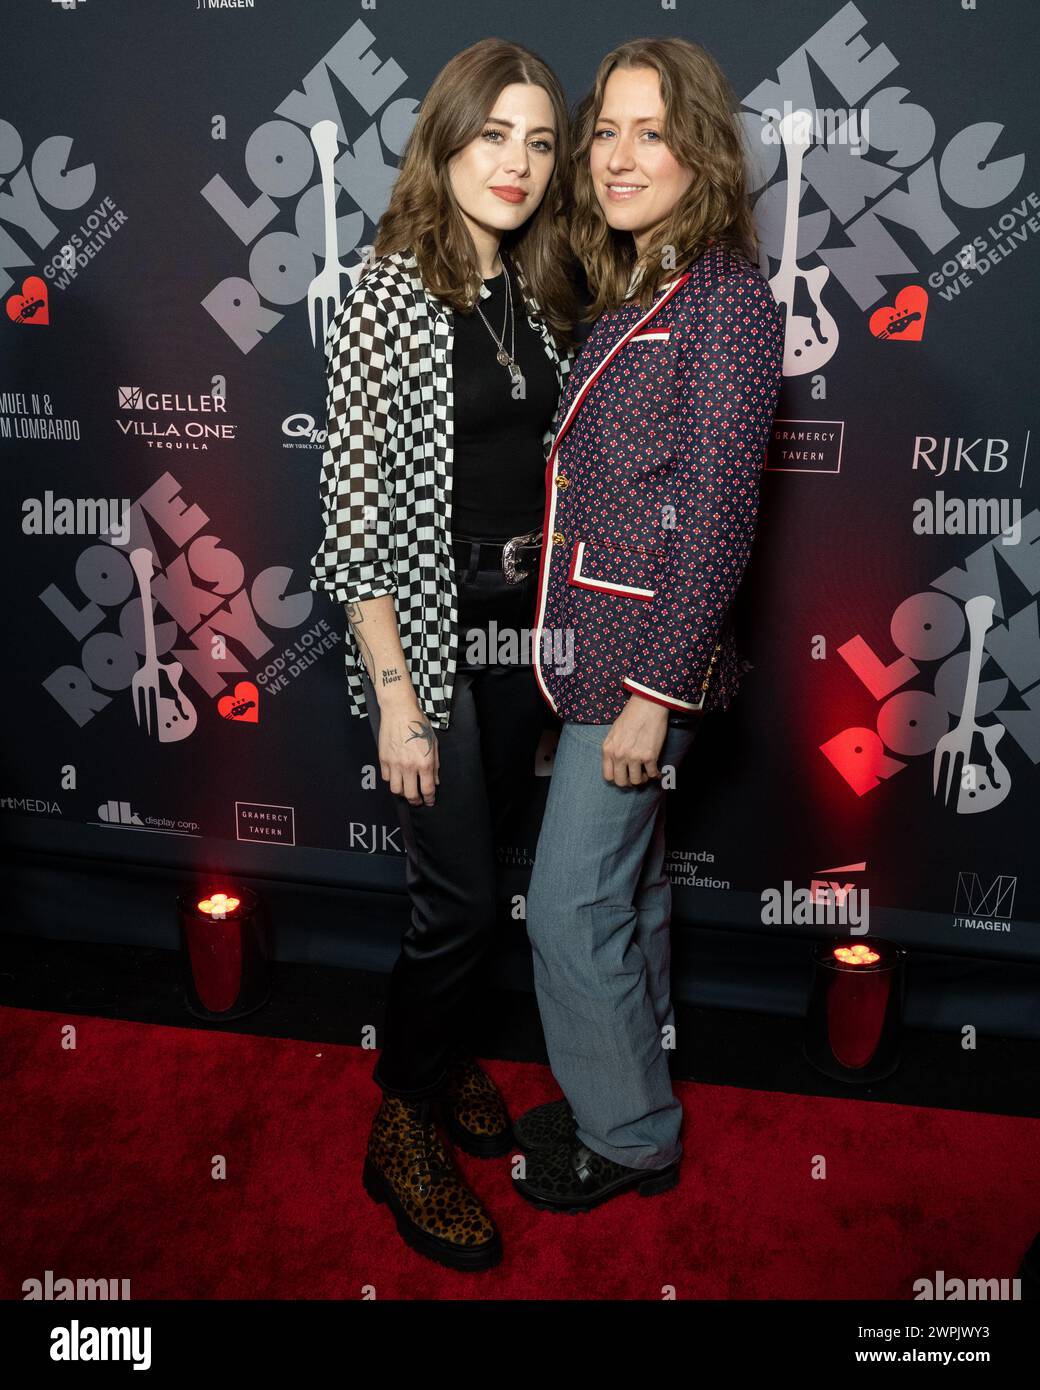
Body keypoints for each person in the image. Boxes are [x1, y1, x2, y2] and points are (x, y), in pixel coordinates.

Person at [309, 37, 576, 1271]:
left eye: (538, 142)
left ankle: (445, 1053)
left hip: (524, 631)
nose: (516, 164)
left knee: (483, 878)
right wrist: (397, 701)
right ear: (445, 140)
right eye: (492, 136)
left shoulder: (540, 286)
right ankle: (400, 1124)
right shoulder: (383, 291)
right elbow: (354, 519)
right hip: (426, 633)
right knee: (457, 897)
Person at [512, 37, 785, 1211]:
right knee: (626, 892)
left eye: (649, 132)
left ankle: (626, 1136)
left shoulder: (724, 299)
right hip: (597, 656)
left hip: (641, 670)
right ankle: (627, 1077)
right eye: (603, 130)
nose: (616, 158)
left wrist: (652, 693)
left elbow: (717, 514)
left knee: (570, 906)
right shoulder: (647, 282)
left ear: (700, 151)